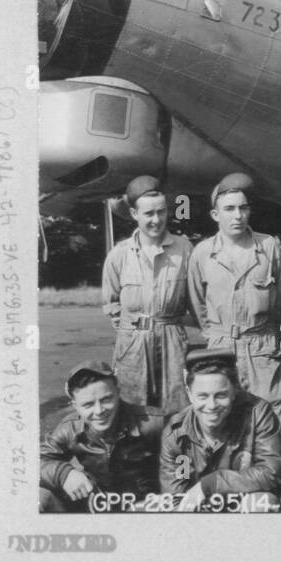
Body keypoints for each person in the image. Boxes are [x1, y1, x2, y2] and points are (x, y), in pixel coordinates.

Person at [187, 172, 281, 418]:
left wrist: (277, 343)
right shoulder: (202, 253)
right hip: (220, 349)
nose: (237, 215)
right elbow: (197, 305)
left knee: (274, 419)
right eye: (229, 209)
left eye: (243, 208)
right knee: (223, 419)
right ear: (215, 215)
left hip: (262, 349)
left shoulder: (269, 247)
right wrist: (216, 334)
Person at [100, 175, 195, 415]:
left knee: (177, 412)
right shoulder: (119, 254)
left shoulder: (185, 249)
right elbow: (111, 304)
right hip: (132, 343)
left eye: (161, 212)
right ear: (134, 214)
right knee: (133, 414)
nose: (156, 220)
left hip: (173, 341)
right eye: (148, 214)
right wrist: (133, 333)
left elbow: (197, 302)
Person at [158, 348, 281, 512]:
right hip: (199, 517)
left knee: (262, 503)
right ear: (189, 394)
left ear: (234, 391)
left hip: (243, 510)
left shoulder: (257, 413)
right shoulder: (176, 433)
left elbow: (270, 472)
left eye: (221, 396)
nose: (211, 406)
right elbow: (175, 499)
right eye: (202, 396)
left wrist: (212, 483)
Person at [39, 361, 160, 512]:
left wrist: (172, 497)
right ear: (75, 405)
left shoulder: (154, 422)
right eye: (88, 405)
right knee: (39, 497)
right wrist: (63, 473)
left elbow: (185, 461)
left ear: (118, 393)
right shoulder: (70, 428)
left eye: (106, 399)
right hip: (97, 503)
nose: (99, 411)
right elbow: (36, 462)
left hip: (149, 507)